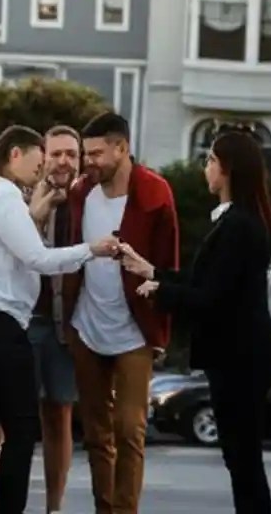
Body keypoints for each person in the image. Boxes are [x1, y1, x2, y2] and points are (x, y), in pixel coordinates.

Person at [0, 125, 119, 514]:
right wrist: (92, 249)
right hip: (1, 326)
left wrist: (37, 215)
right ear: (14, 156)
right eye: (37, 161)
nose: (41, 170)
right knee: (22, 432)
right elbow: (39, 259)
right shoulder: (5, 198)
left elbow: (21, 248)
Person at [119, 130, 271, 514]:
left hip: (242, 358)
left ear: (226, 170)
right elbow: (206, 285)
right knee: (240, 459)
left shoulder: (238, 226)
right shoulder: (237, 222)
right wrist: (152, 270)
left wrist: (159, 290)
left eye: (210, 159)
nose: (205, 167)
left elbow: (211, 299)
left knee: (243, 460)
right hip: (240, 354)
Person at [61, 112, 179, 514]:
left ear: (122, 148)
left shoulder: (155, 194)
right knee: (96, 434)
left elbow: (169, 264)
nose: (88, 161)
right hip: (86, 326)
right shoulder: (81, 193)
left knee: (130, 429)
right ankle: (104, 508)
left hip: (135, 329)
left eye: (96, 153)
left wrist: (160, 330)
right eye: (85, 153)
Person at [0, 125, 82, 514]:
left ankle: (54, 507)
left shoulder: (83, 201)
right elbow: (27, 255)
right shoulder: (13, 198)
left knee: (58, 414)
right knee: (2, 425)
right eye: (54, 154)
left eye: (72, 154)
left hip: (63, 321)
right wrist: (36, 213)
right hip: (20, 319)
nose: (61, 162)